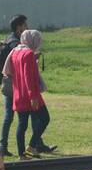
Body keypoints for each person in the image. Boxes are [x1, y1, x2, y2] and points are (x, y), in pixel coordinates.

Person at [3, 29, 56, 159]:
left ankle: (22, 154)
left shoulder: (15, 51)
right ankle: (31, 146)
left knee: (22, 124)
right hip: (30, 95)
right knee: (45, 119)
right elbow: (28, 76)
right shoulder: (28, 54)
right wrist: (33, 96)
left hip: (18, 93)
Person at [0, 14, 27, 158]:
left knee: (10, 115)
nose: (27, 26)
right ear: (19, 27)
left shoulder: (9, 39)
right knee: (19, 115)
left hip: (8, 83)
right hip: (15, 84)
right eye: (24, 24)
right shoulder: (15, 43)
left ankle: (3, 146)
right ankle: (33, 145)